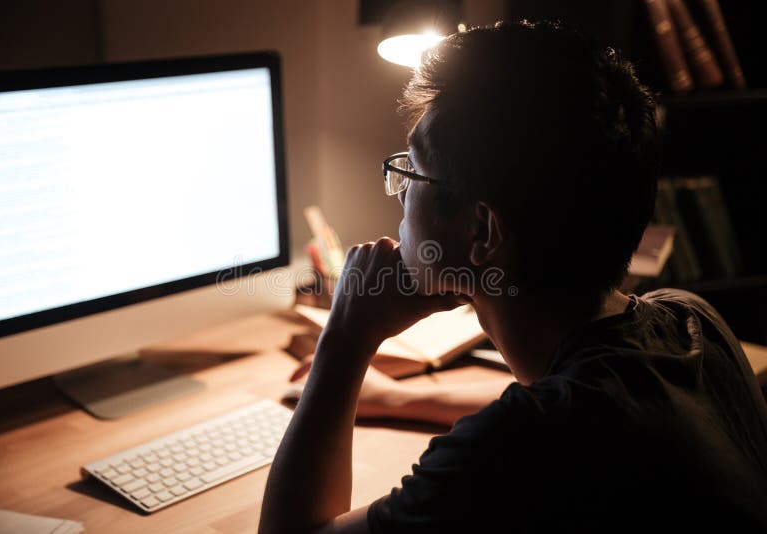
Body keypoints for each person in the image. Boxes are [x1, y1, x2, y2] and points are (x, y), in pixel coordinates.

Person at [259, 20, 767, 533]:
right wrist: (400, 398)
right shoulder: (689, 322)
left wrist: (345, 339)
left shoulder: (517, 448)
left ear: (482, 231)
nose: (399, 194)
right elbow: (566, 405)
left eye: (409, 173)